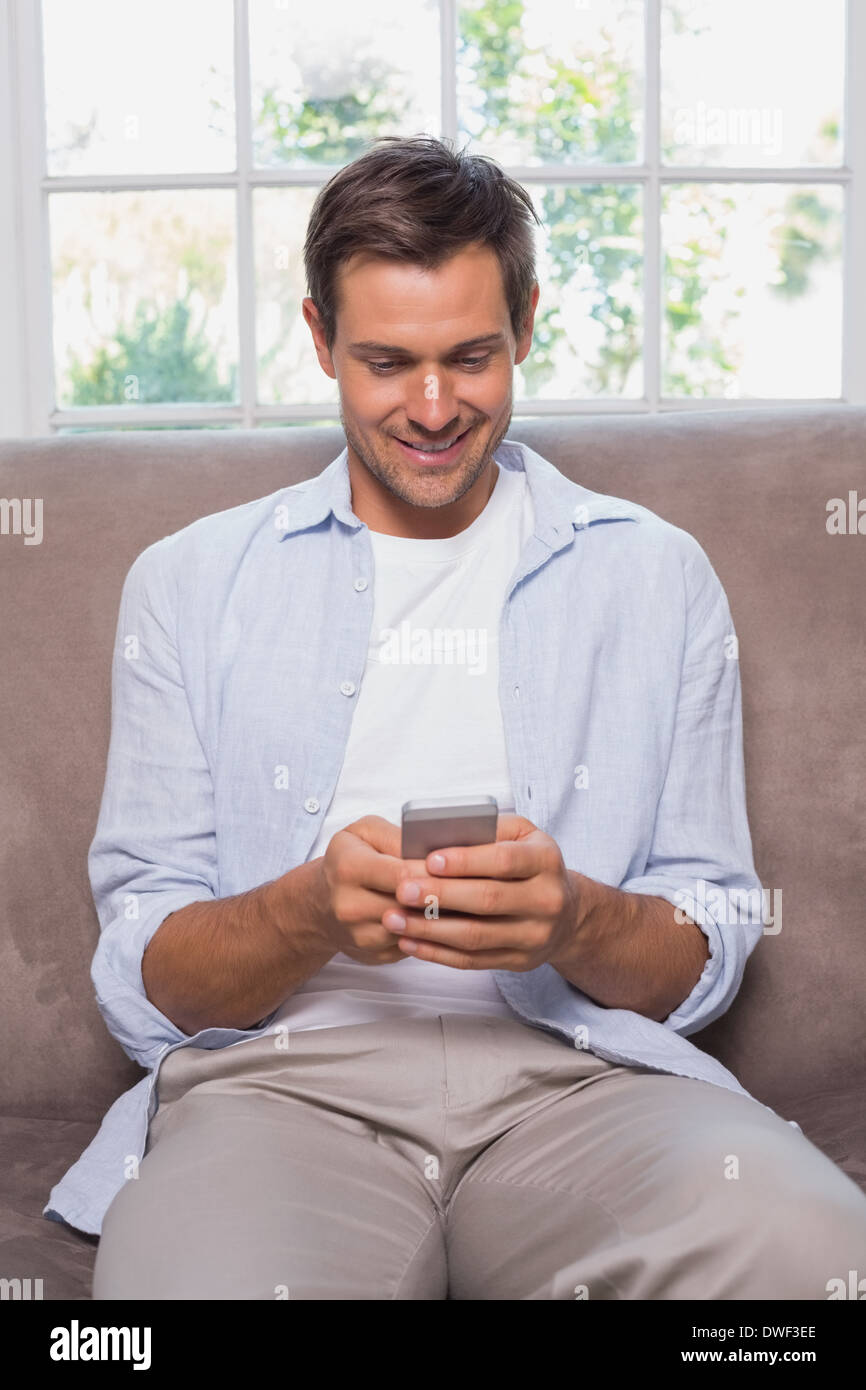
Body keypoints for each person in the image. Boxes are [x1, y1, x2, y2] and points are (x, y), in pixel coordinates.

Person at [46, 135, 866, 1300]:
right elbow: (143, 974)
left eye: (469, 357)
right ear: (320, 340)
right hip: (279, 1089)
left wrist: (571, 916)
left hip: (578, 1080)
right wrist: (303, 913)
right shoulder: (187, 583)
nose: (431, 408)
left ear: (524, 326)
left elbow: (705, 942)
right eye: (386, 362)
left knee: (821, 1257)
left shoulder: (655, 575)